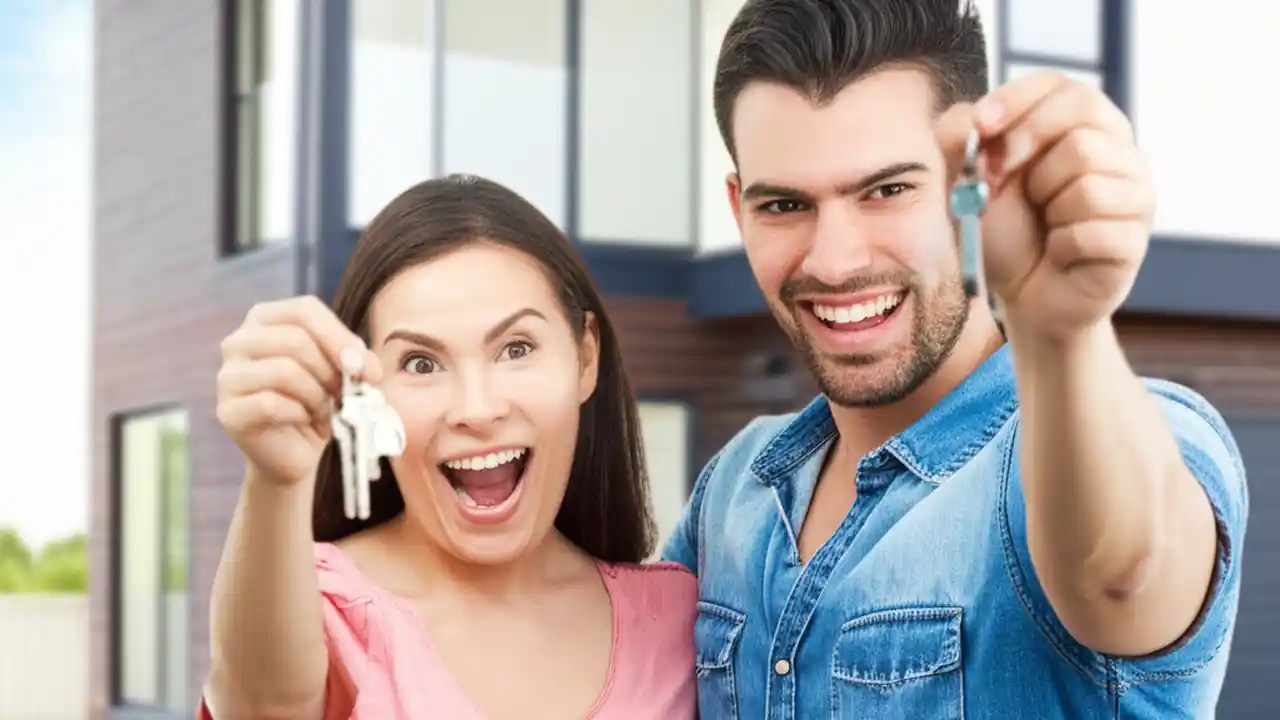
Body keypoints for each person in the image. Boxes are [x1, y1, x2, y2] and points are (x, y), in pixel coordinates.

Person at [662, 1, 1248, 718]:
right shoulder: (736, 486)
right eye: (784, 206)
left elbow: (1122, 572)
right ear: (737, 208)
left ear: (973, 184)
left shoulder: (1125, 433)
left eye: (887, 190)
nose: (835, 260)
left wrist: (1062, 334)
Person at [202, 175, 697, 719]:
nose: (477, 409)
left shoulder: (682, 622)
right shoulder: (317, 608)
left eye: (516, 348)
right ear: (362, 389)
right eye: (420, 363)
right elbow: (260, 706)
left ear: (584, 358)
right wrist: (275, 480)